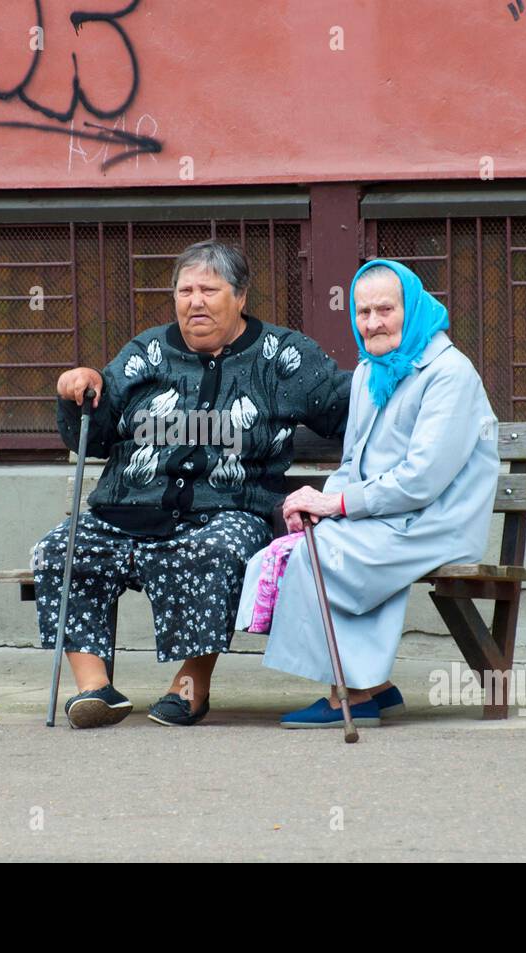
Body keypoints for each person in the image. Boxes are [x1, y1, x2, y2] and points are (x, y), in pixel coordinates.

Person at [35, 241, 352, 728]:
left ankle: (191, 687)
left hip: (228, 511)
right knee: (61, 548)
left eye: (209, 289)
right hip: (128, 508)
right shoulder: (146, 353)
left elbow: (342, 406)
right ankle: (94, 689)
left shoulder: (282, 356)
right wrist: (76, 388)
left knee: (214, 551)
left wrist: (402, 374)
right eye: (185, 290)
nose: (195, 301)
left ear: (240, 296)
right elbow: (94, 436)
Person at [235, 259, 499, 728]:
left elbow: (422, 479)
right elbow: (352, 463)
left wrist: (336, 505)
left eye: (385, 310)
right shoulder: (369, 371)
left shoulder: (448, 374)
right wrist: (318, 506)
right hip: (385, 516)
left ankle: (355, 693)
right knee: (299, 547)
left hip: (437, 522)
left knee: (330, 555)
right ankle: (370, 688)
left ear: (411, 308)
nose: (373, 323)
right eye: (362, 313)